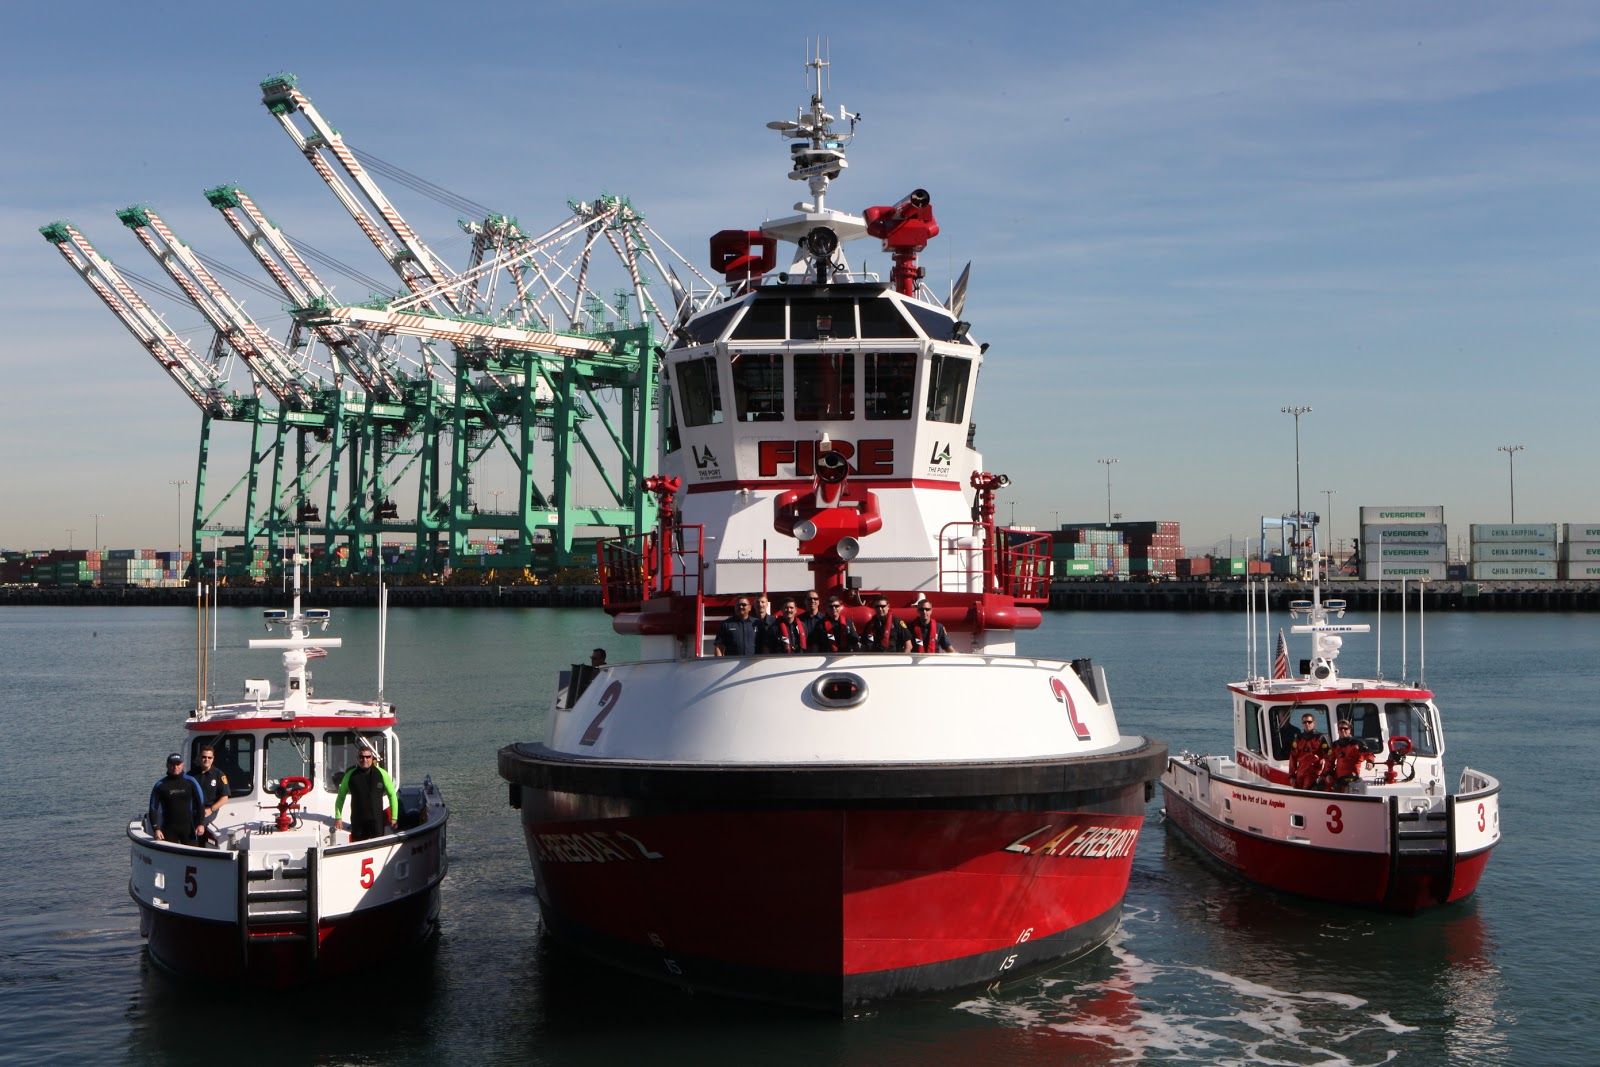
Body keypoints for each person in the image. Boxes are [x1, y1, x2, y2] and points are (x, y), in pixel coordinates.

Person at [334, 744, 400, 842]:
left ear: (372, 758)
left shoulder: (382, 774)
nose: (365, 760)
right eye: (361, 757)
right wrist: (338, 817)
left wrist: (394, 817)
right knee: (358, 849)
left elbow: (392, 796)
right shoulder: (350, 775)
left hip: (376, 821)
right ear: (357, 758)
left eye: (367, 757)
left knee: (378, 848)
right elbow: (340, 797)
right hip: (358, 822)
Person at [148, 753, 205, 846]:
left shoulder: (191, 781)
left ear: (182, 765)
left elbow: (200, 803)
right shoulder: (160, 785)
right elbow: (153, 808)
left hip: (188, 829)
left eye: (178, 764)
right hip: (168, 830)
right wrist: (156, 829)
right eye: (172, 764)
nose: (175, 767)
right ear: (167, 766)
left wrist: (201, 824)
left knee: (192, 857)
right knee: (169, 858)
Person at [191, 745, 231, 846]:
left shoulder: (219, 775)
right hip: (193, 809)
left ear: (213, 759)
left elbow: (224, 797)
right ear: (199, 758)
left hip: (209, 810)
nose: (206, 760)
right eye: (204, 757)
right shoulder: (191, 775)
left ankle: (200, 848)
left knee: (201, 823)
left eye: (209, 757)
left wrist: (211, 809)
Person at [1327, 719, 1375, 792]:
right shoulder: (1335, 745)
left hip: (1353, 778)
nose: (1343, 731)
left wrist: (1370, 762)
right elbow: (1329, 761)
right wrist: (1328, 773)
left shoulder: (1357, 743)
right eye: (1340, 729)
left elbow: (1368, 753)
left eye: (1345, 729)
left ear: (1349, 730)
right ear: (1338, 731)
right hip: (1339, 779)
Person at [1288, 714, 1330, 791]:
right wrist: (1292, 776)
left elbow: (1329, 758)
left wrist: (1324, 774)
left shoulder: (1320, 737)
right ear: (1302, 724)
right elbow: (1293, 757)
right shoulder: (1298, 738)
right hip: (1300, 773)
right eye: (1305, 722)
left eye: (1309, 722)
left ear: (1314, 723)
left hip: (1314, 773)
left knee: (1307, 793)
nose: (1307, 724)